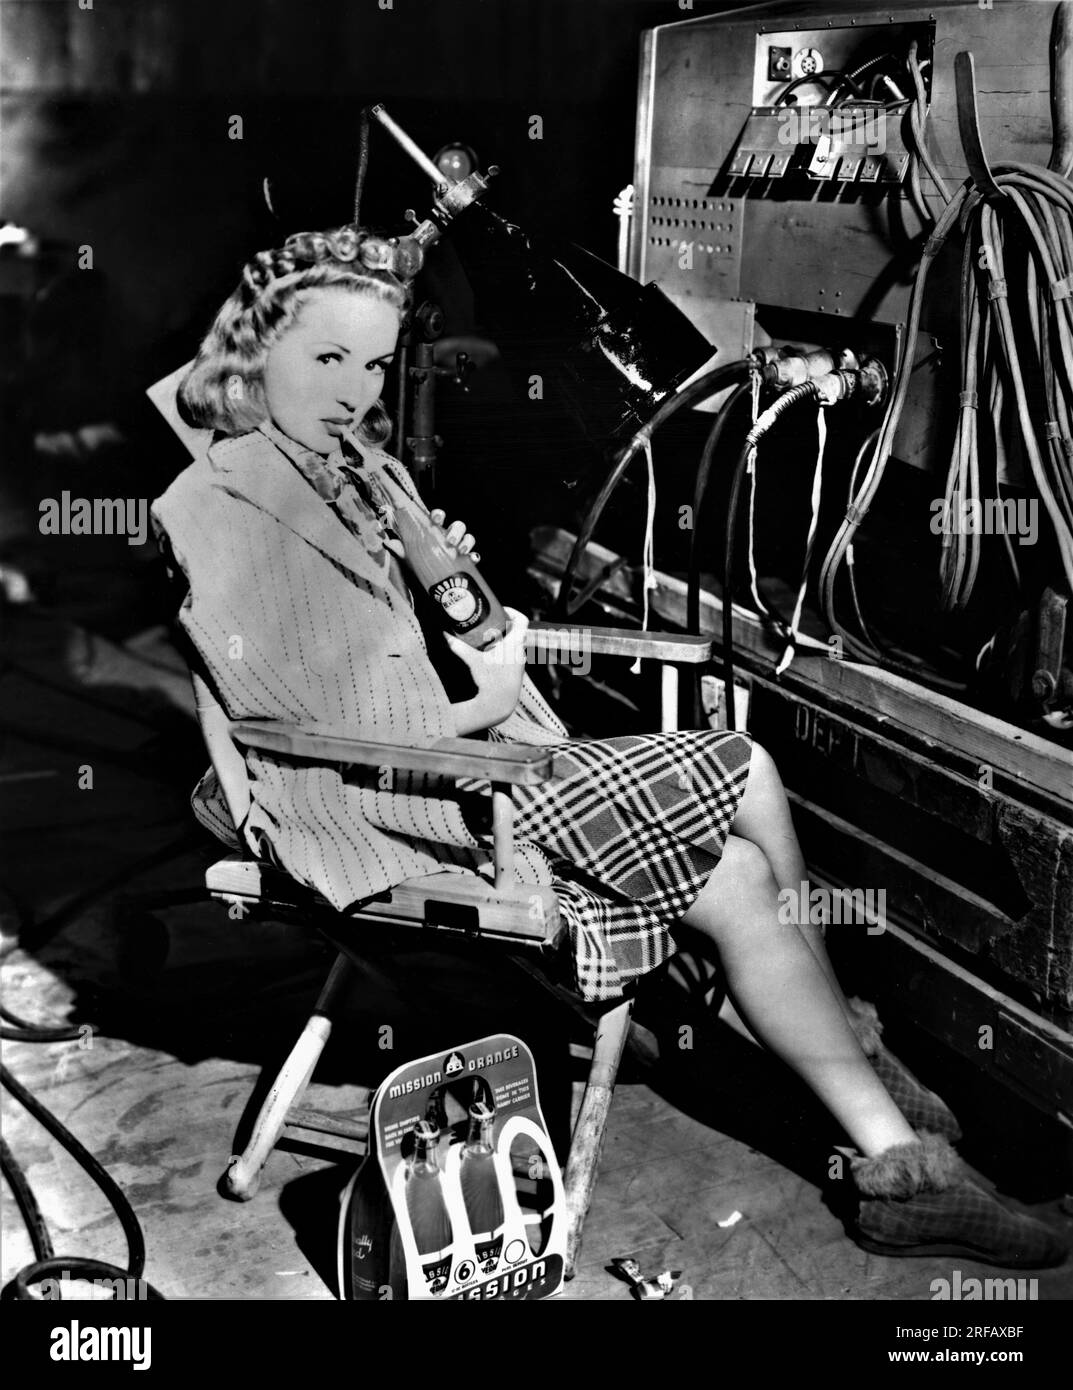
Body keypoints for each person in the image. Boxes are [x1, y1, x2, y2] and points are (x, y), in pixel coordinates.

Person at [151, 225, 1066, 1271]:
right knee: (734, 838)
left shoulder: (349, 464)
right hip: (392, 802)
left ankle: (866, 1096)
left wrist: (442, 580)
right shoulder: (222, 505)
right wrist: (481, 698)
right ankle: (885, 1134)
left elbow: (423, 629)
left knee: (745, 800)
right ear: (252, 347)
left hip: (463, 760)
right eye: (327, 358)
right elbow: (306, 727)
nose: (357, 390)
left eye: (373, 362)